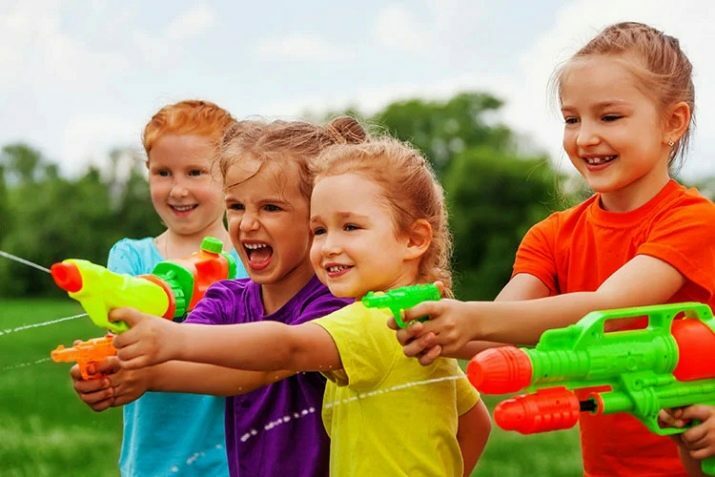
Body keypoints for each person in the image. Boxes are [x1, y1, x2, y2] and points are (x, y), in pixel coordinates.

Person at [393, 22, 715, 477]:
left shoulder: (693, 220)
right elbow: (493, 329)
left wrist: (472, 317)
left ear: (672, 123)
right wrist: (433, 320)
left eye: (609, 117)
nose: (584, 137)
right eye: (571, 119)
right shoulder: (552, 235)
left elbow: (613, 308)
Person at [110, 136, 491, 476]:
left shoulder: (373, 322)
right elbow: (475, 423)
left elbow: (288, 348)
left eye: (351, 228)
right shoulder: (412, 324)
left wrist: (174, 339)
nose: (328, 245)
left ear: (414, 239)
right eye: (320, 230)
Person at [77, 118, 364, 476]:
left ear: (317, 218)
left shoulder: (335, 304)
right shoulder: (227, 299)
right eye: (237, 206)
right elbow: (202, 365)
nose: (247, 223)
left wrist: (168, 344)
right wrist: (125, 370)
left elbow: (275, 358)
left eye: (270, 208)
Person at [70, 99, 250, 476]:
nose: (178, 189)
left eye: (196, 172)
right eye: (163, 172)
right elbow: (122, 344)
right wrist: (101, 375)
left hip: (233, 462)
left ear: (230, 176)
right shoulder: (130, 259)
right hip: (151, 462)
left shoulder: (249, 262)